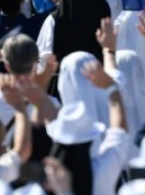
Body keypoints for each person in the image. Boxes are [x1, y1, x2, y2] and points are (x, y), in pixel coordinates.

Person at [46, 60, 131, 195]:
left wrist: (40, 86)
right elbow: (120, 130)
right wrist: (111, 86)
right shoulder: (104, 169)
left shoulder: (49, 181)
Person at [37, 0, 112, 63]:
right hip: (98, 76)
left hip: (64, 76)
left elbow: (42, 58)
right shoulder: (105, 14)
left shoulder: (55, 19)